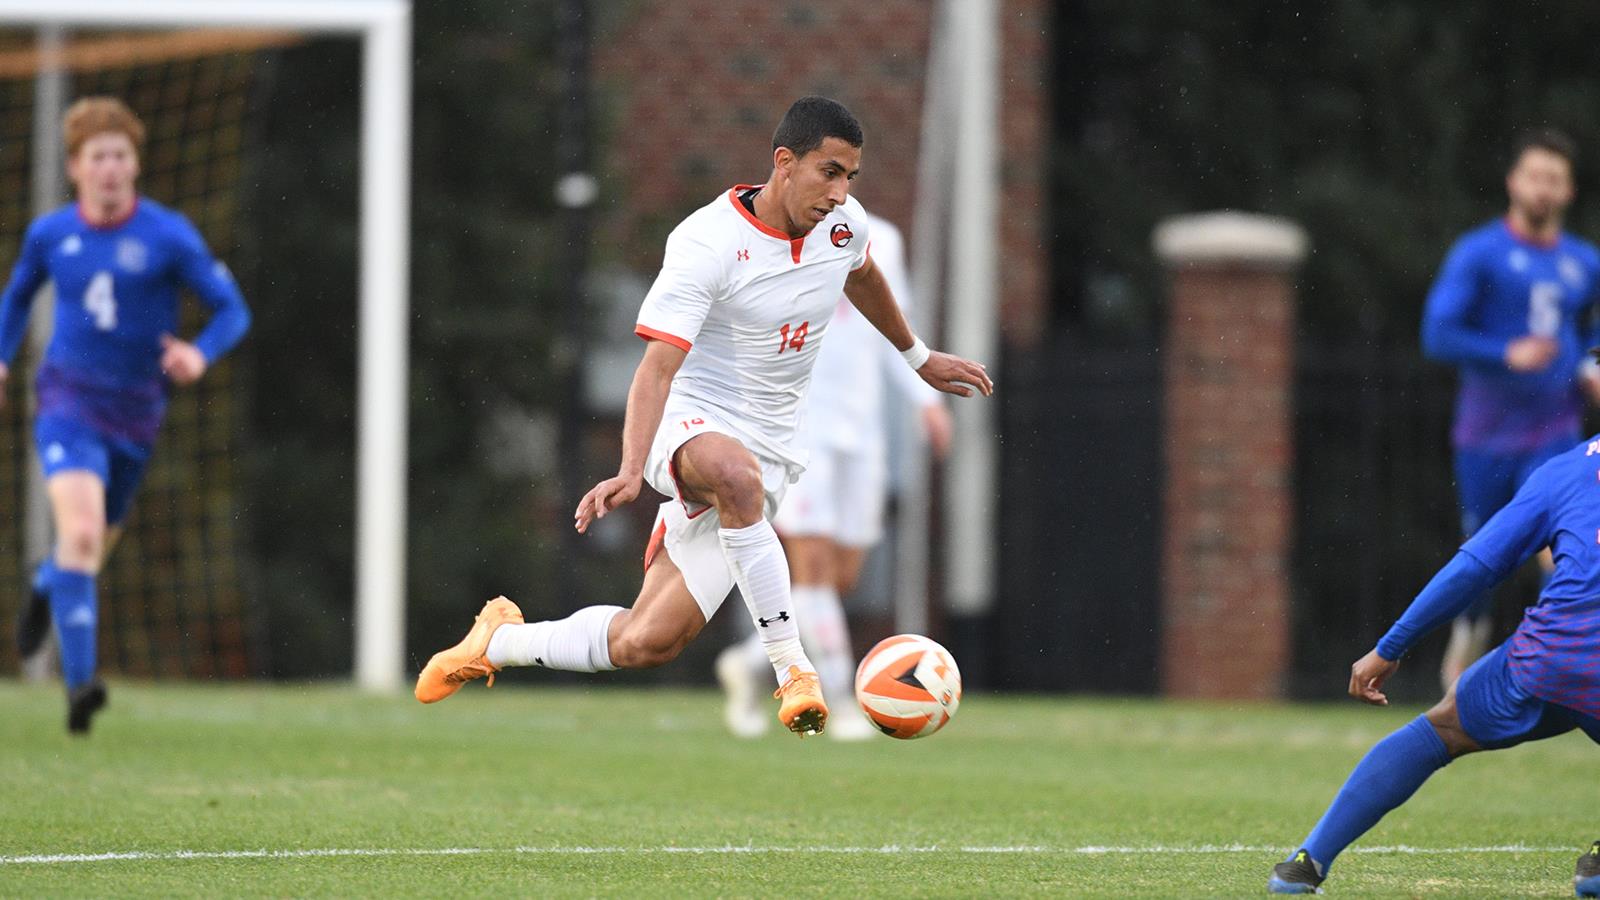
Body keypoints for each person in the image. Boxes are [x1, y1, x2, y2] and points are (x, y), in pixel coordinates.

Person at [414, 96, 992, 737]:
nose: (840, 191)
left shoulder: (842, 226)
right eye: (829, 172)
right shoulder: (706, 242)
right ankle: (794, 671)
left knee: (646, 641)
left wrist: (918, 357)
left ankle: (497, 643)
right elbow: (656, 368)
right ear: (784, 162)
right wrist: (632, 469)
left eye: (850, 176)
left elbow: (863, 277)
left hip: (772, 448)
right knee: (735, 477)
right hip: (691, 419)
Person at [0, 97, 252, 734]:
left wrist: (199, 352)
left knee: (92, 544)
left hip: (137, 414)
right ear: (75, 168)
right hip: (66, 401)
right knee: (83, 534)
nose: (110, 168)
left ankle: (44, 581)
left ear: (135, 165)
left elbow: (232, 310)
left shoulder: (167, 235)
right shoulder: (51, 234)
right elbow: (18, 297)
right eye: (97, 157)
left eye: (120, 155)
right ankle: (81, 689)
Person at [1267, 426, 1600, 895]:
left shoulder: (1565, 470)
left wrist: (1390, 647)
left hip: (1548, 658)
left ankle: (1306, 861)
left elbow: (1476, 567)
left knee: (1439, 730)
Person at [714, 209, 952, 740]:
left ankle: (749, 662)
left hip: (861, 434)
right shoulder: (775, 240)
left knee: (837, 578)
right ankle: (842, 698)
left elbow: (898, 331)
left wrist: (925, 401)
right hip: (800, 432)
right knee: (814, 570)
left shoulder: (884, 240)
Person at [1421, 128, 1600, 689]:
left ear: (1569, 191)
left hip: (1555, 431)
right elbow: (1437, 333)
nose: (1543, 188)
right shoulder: (1480, 254)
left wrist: (1591, 367)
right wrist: (1504, 352)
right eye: (1534, 175)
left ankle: (1551, 671)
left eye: (1555, 178)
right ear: (1513, 182)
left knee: (1564, 547)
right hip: (1486, 435)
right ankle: (1469, 635)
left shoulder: (1584, 263)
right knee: (1484, 557)